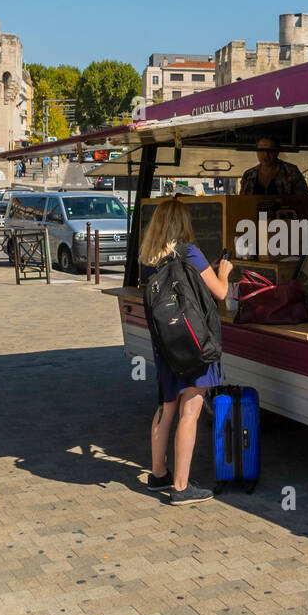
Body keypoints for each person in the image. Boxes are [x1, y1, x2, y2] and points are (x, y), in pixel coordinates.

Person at [139, 197, 233, 507]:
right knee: (190, 412)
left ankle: (158, 474)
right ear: (182, 223)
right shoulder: (190, 252)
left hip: (166, 343)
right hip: (194, 343)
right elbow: (220, 292)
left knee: (166, 407)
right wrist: (225, 272)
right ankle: (181, 487)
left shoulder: (148, 256)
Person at [238, 136, 308, 197]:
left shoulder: (291, 171)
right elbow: (242, 201)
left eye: (270, 151)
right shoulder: (249, 175)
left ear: (277, 152)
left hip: (282, 212)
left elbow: (303, 200)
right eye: (261, 150)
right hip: (257, 213)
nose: (266, 155)